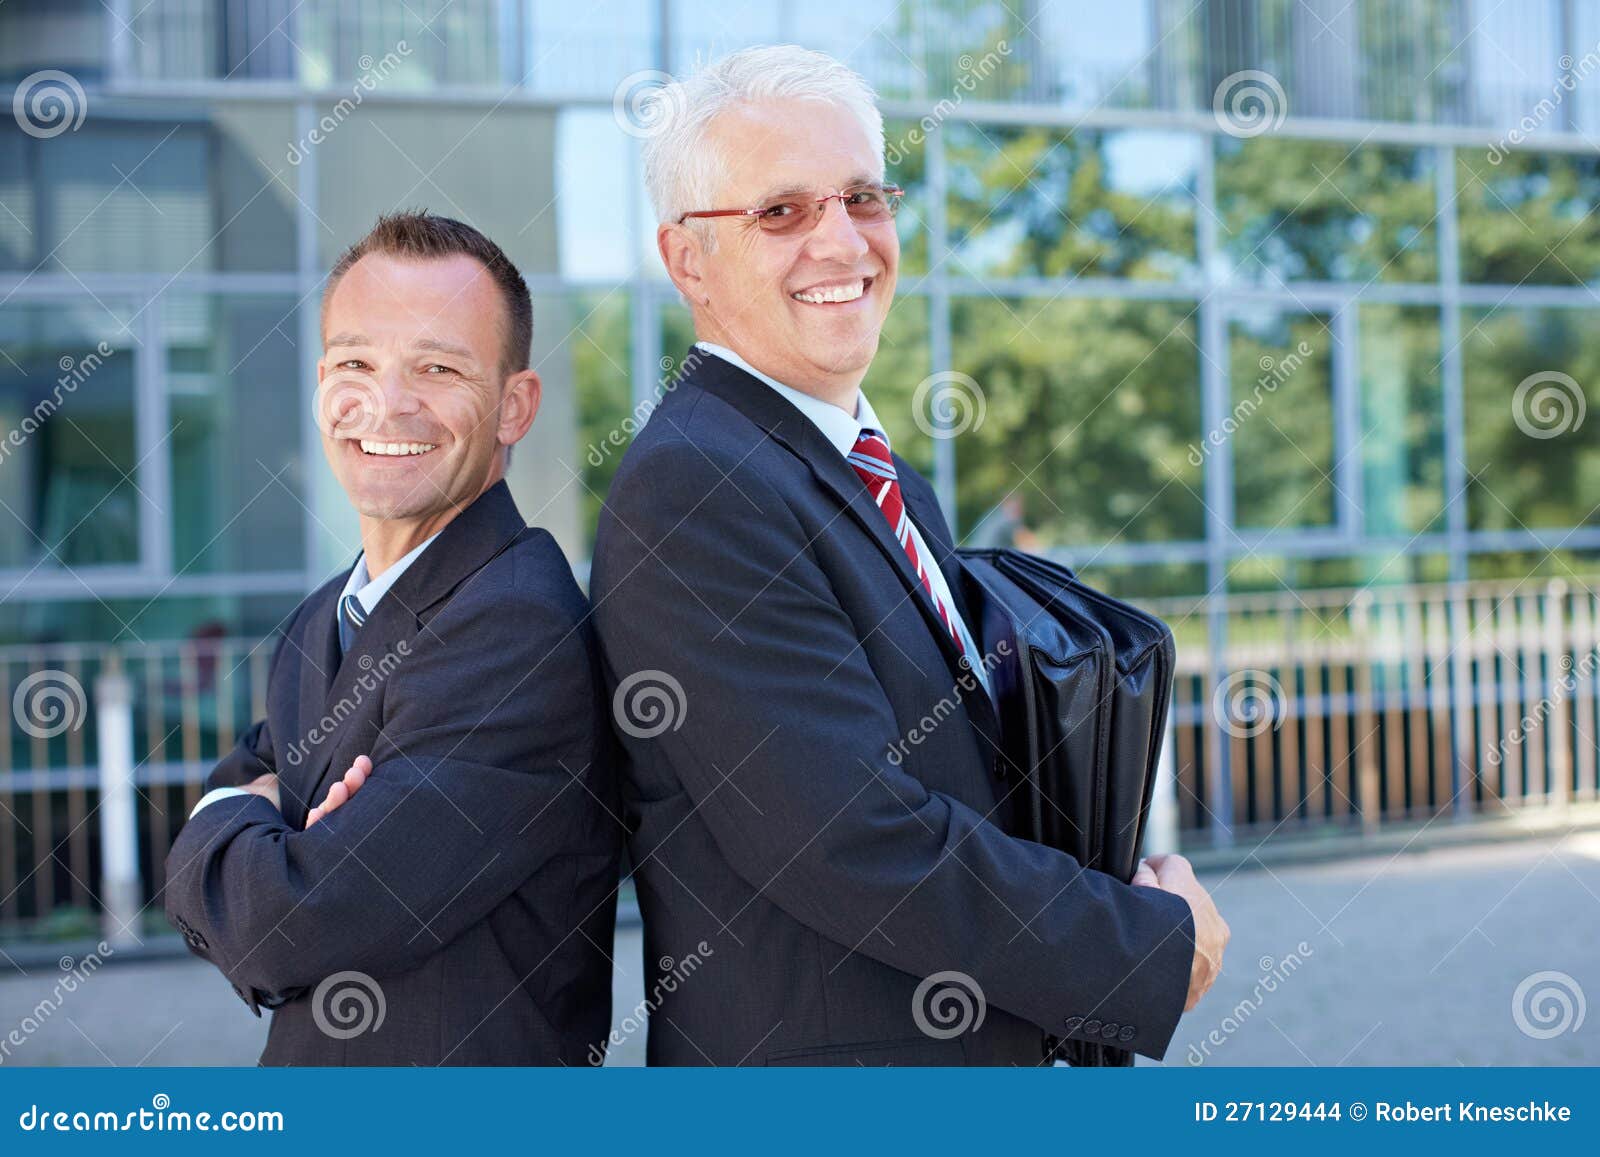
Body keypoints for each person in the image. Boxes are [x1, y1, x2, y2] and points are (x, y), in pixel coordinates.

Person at [590, 46, 1228, 1066]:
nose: (842, 241)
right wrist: (1135, 947)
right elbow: (847, 836)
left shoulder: (875, 476)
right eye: (782, 212)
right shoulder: (695, 489)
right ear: (687, 263)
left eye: (861, 196)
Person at [165, 211, 621, 1065]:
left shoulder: (516, 622)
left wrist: (265, 836)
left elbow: (280, 926)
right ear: (320, 382)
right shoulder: (320, 620)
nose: (388, 402)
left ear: (515, 405)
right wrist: (268, 835)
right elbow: (232, 881)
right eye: (356, 363)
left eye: (438, 367)